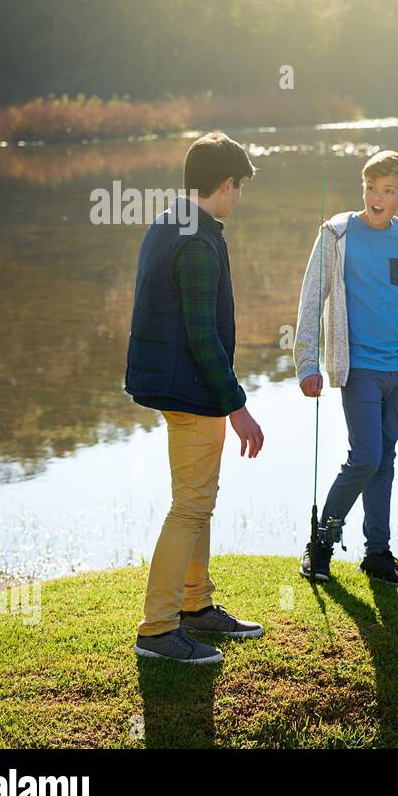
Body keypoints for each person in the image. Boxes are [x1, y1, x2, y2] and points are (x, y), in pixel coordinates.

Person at [126, 132, 265, 664]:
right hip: (190, 389)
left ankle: (195, 606)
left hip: (174, 384)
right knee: (190, 507)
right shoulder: (198, 242)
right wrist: (239, 407)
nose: (238, 199)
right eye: (239, 189)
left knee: (197, 500)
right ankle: (158, 631)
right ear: (226, 184)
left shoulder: (168, 220)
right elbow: (202, 335)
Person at [294, 150, 398, 586]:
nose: (378, 197)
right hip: (358, 368)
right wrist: (306, 363)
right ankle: (320, 543)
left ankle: (377, 554)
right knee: (366, 457)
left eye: (389, 191)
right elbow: (311, 300)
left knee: (386, 460)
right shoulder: (337, 234)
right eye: (371, 188)